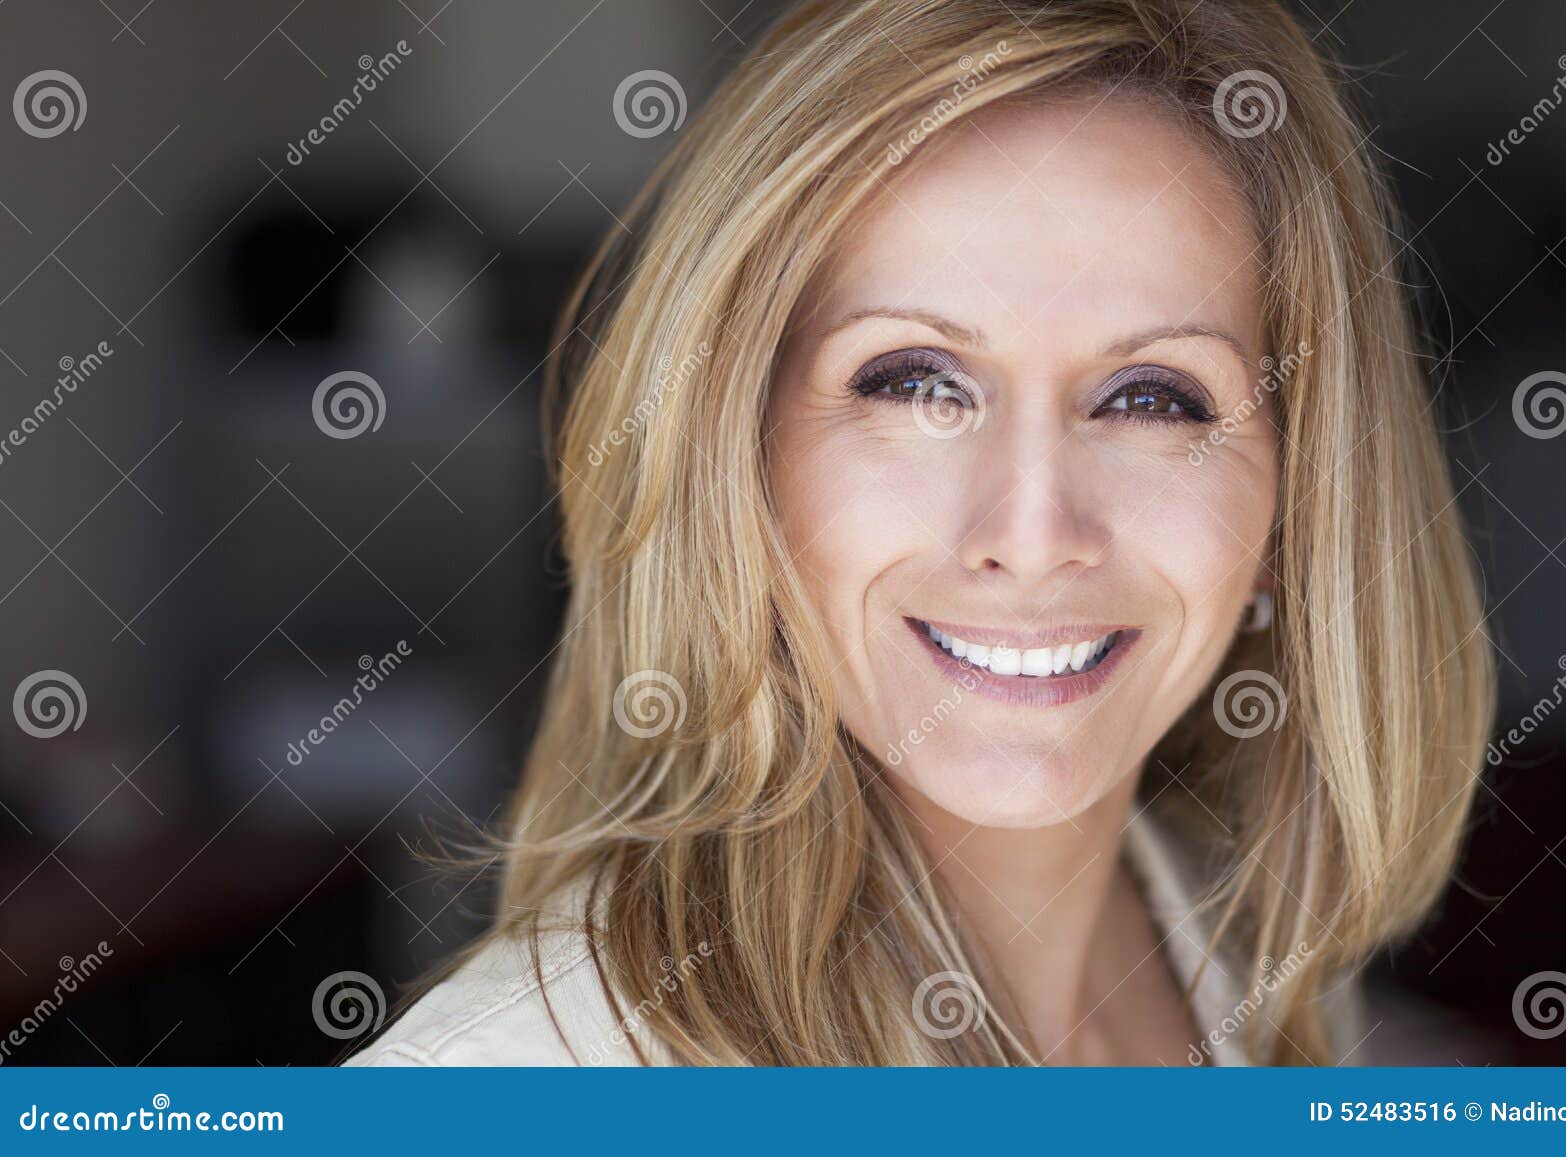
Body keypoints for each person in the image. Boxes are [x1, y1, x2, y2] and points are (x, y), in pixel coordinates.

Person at [348, 0, 1493, 1067]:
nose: (1032, 533)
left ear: (1298, 501)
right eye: (913, 383)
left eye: (1151, 398)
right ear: (735, 459)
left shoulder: (1255, 969)